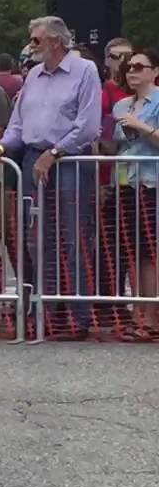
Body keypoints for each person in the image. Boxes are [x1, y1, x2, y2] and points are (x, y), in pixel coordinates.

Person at [0, 16, 102, 337]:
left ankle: (78, 319)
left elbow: (88, 125)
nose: (30, 46)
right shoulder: (33, 75)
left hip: (70, 160)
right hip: (34, 158)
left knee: (72, 239)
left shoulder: (85, 71)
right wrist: (1, 148)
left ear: (57, 42)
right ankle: (45, 316)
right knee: (38, 243)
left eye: (36, 40)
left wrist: (56, 153)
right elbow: (18, 126)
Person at [102, 48, 159, 338]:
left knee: (150, 254)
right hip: (124, 182)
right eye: (128, 67)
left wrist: (143, 127)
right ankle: (139, 314)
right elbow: (116, 145)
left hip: (151, 183)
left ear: (155, 71)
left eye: (139, 66)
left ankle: (151, 317)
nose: (132, 71)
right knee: (132, 251)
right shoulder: (121, 106)